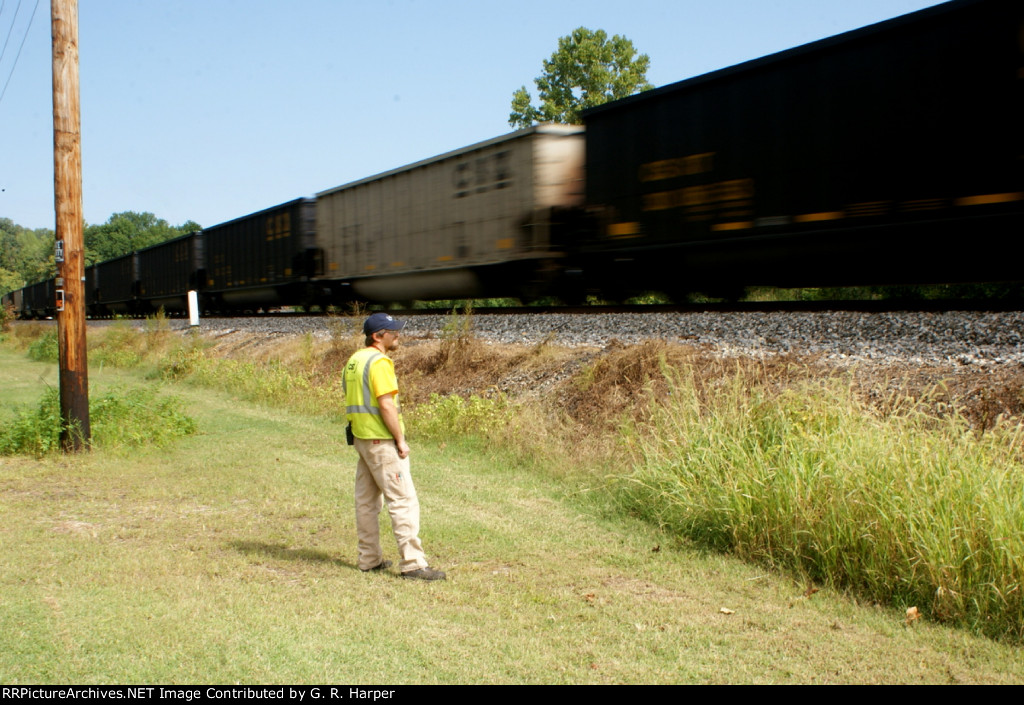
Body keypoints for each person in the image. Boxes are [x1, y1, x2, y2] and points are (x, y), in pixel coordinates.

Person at [343, 312, 446, 581]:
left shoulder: (354, 361)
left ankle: (369, 559)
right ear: (378, 336)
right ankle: (413, 564)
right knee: (403, 501)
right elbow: (386, 404)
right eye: (392, 331)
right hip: (382, 441)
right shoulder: (379, 362)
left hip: (362, 440)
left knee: (366, 502)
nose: (397, 334)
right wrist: (400, 440)